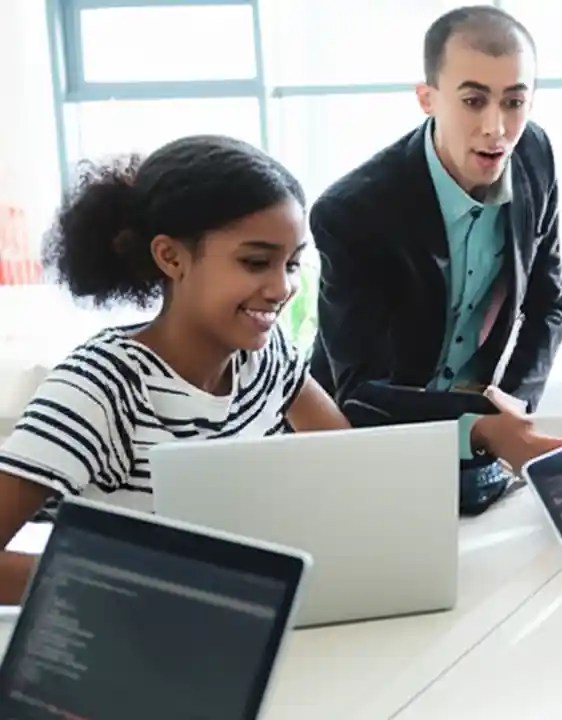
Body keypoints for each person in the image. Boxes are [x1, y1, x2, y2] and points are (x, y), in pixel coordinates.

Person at [0, 135, 350, 604]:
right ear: (171, 257)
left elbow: (349, 470)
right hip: (142, 647)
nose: (281, 287)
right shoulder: (100, 386)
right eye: (255, 262)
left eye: (291, 263)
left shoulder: (270, 362)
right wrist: (148, 582)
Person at [307, 6, 562, 500]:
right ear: (427, 98)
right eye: (473, 100)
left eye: (514, 102)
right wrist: (486, 424)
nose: (496, 127)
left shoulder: (536, 155)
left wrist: (513, 406)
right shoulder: (352, 212)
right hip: (362, 449)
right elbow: (357, 391)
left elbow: (550, 306)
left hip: (476, 449)